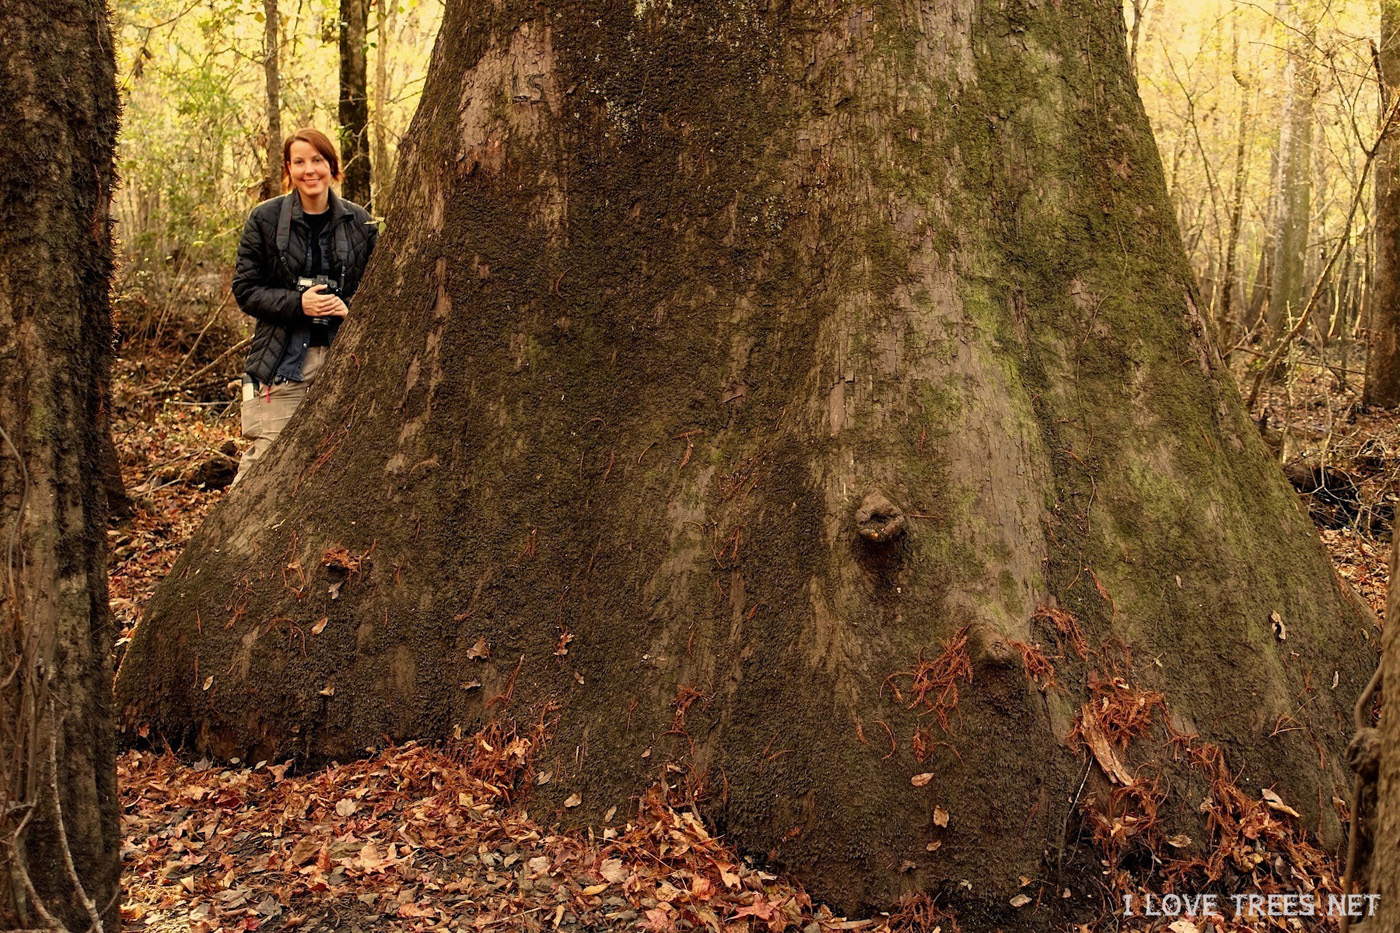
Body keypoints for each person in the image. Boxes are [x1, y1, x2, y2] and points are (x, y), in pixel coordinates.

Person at [230, 127, 377, 483]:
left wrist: (350, 311)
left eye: (317, 160)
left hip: (348, 357)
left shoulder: (361, 222)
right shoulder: (264, 219)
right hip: (283, 359)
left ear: (332, 166)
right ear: (288, 169)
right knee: (267, 465)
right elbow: (245, 289)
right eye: (299, 162)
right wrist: (300, 304)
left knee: (347, 464)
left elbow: (381, 293)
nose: (309, 170)